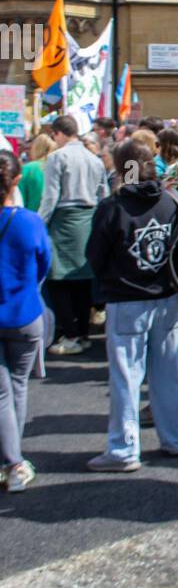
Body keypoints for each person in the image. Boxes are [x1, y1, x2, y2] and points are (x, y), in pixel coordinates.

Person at [84, 140, 178, 471]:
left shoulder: (113, 206)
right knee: (170, 372)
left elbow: (95, 256)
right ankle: (176, 438)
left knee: (126, 377)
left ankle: (124, 448)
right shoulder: (170, 201)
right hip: (166, 297)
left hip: (127, 297)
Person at [0, 152, 51, 492]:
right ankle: (14, 461)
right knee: (16, 387)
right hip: (25, 313)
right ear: (16, 181)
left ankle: (11, 459)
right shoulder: (30, 221)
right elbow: (45, 262)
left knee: (5, 391)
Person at [39, 114, 109, 355]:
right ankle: (83, 333)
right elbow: (104, 195)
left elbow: (50, 196)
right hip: (88, 220)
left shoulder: (57, 157)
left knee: (58, 280)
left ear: (59, 133)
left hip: (63, 220)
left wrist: (40, 223)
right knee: (82, 280)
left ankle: (70, 334)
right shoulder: (95, 159)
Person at [19, 134, 56, 212]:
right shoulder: (56, 166)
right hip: (54, 217)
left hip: (30, 216)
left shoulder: (27, 168)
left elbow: (20, 198)